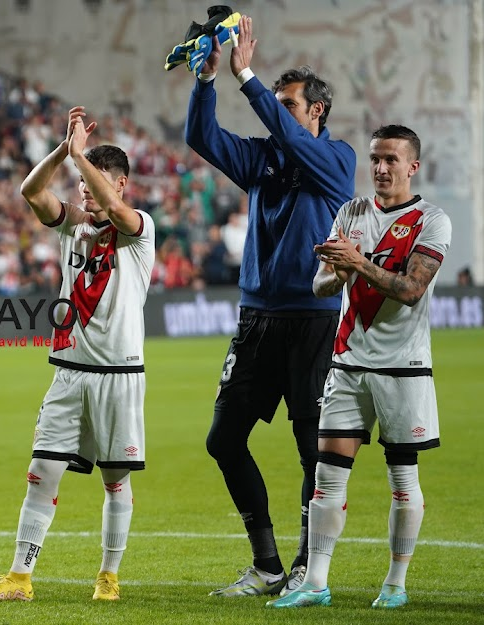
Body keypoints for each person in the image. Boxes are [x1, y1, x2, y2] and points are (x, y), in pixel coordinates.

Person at [184, 15, 357, 597]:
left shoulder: (337, 162)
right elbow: (202, 139)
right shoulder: (261, 160)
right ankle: (266, 565)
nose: (280, 112)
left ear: (317, 113)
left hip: (313, 324)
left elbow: (289, 139)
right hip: (256, 320)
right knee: (223, 440)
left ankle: (309, 569)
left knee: (314, 451)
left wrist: (248, 77)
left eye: (290, 105)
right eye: (276, 103)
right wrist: (207, 81)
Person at [0, 107, 155, 603]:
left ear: (121, 184)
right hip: (69, 373)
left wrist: (81, 157)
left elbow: (118, 212)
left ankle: (108, 577)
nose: (86, 192)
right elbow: (31, 192)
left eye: (97, 183)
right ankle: (20, 577)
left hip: (119, 374)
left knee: (115, 482)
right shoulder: (72, 226)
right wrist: (63, 151)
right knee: (41, 472)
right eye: (81, 184)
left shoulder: (139, 230)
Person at [268, 125, 450, 609]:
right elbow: (321, 286)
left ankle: (394, 584)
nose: (380, 168)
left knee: (402, 478)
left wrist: (357, 261)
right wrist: (338, 269)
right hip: (347, 364)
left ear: (412, 165)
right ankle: (316, 584)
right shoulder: (350, 213)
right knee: (327, 478)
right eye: (374, 158)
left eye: (391, 159)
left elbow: (411, 290)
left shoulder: (432, 221)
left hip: (403, 368)